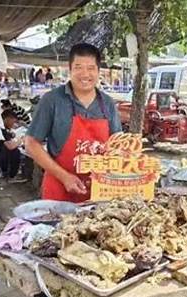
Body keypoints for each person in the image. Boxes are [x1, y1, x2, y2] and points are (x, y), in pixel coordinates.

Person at [25, 43, 122, 203]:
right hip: (59, 188)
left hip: (99, 190)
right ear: (69, 70)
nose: (85, 74)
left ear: (99, 72)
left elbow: (117, 145)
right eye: (78, 67)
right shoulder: (52, 100)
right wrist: (65, 177)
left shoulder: (108, 103)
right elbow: (31, 143)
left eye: (91, 68)